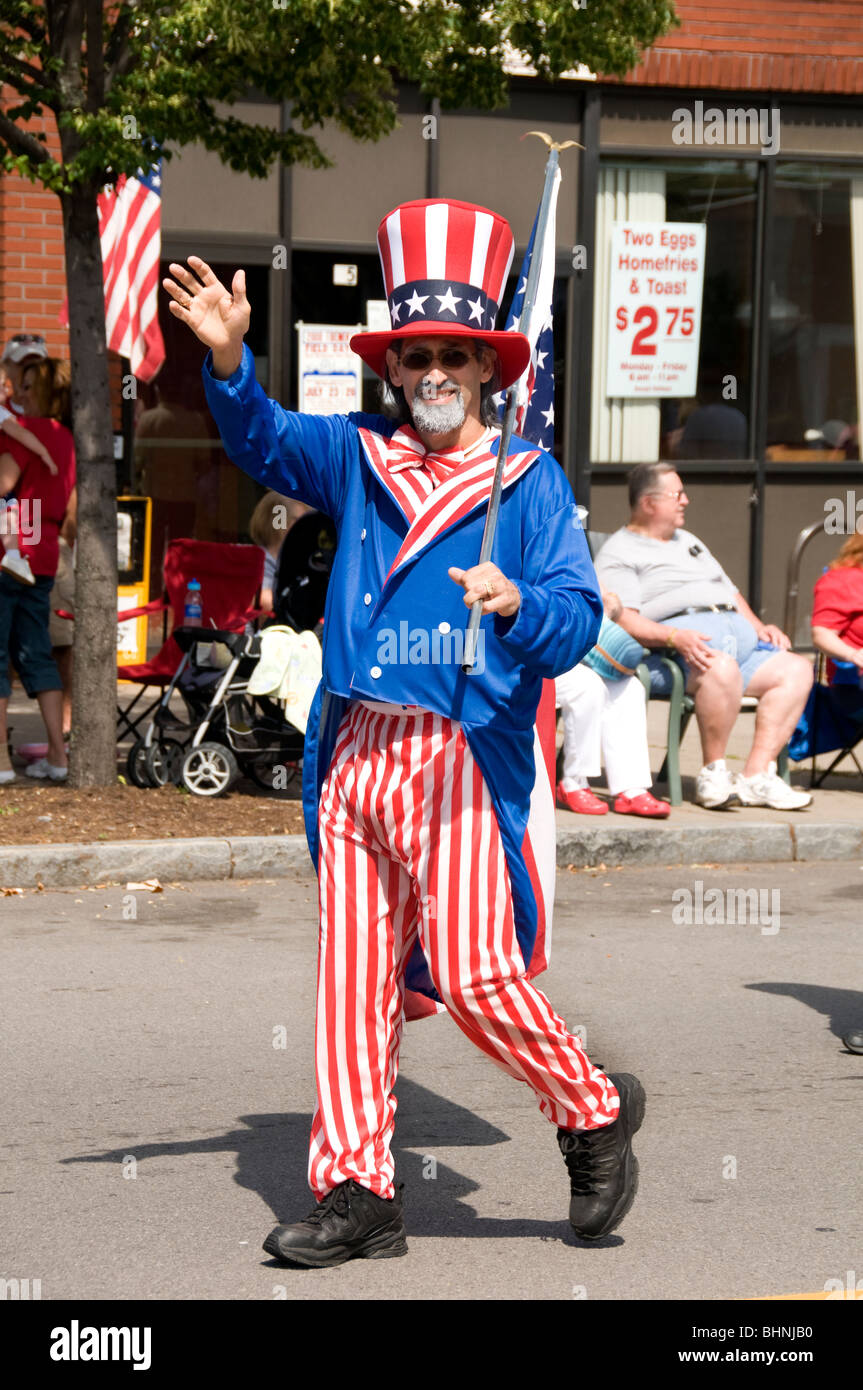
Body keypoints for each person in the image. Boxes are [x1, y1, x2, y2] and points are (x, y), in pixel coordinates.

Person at [164, 197, 646, 1266]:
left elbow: (576, 625)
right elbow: (263, 440)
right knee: (352, 980)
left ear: (483, 368)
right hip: (354, 751)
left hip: (459, 758)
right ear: (395, 365)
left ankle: (590, 1105)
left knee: (474, 972)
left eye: (452, 354)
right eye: (415, 352)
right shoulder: (353, 453)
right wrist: (233, 359)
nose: (431, 370)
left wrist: (518, 604)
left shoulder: (527, 480)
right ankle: (356, 1190)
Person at [595, 462, 814, 811]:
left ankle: (757, 775)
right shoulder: (620, 552)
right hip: (677, 656)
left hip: (737, 647)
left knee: (797, 669)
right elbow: (624, 618)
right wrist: (674, 636)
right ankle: (714, 773)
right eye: (677, 494)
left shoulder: (689, 541)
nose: (686, 500)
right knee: (721, 668)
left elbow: (730, 592)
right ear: (649, 503)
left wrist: (759, 627)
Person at [0, 357, 76, 783]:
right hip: (43, 548)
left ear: (43, 392)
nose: (19, 394)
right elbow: (62, 503)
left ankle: (2, 763)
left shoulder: (24, 432)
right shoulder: (65, 435)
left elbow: (3, 486)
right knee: (37, 654)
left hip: (11, 548)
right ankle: (58, 756)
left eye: (27, 387)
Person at [555, 585, 669, 817]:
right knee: (587, 686)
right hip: (530, 659)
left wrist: (609, 606)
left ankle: (631, 789)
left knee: (629, 687)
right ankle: (574, 783)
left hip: (572, 650)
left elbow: (594, 593)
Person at [248, 490, 313, 612]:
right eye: (298, 521)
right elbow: (260, 598)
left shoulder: (297, 562)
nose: (305, 528)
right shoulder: (257, 559)